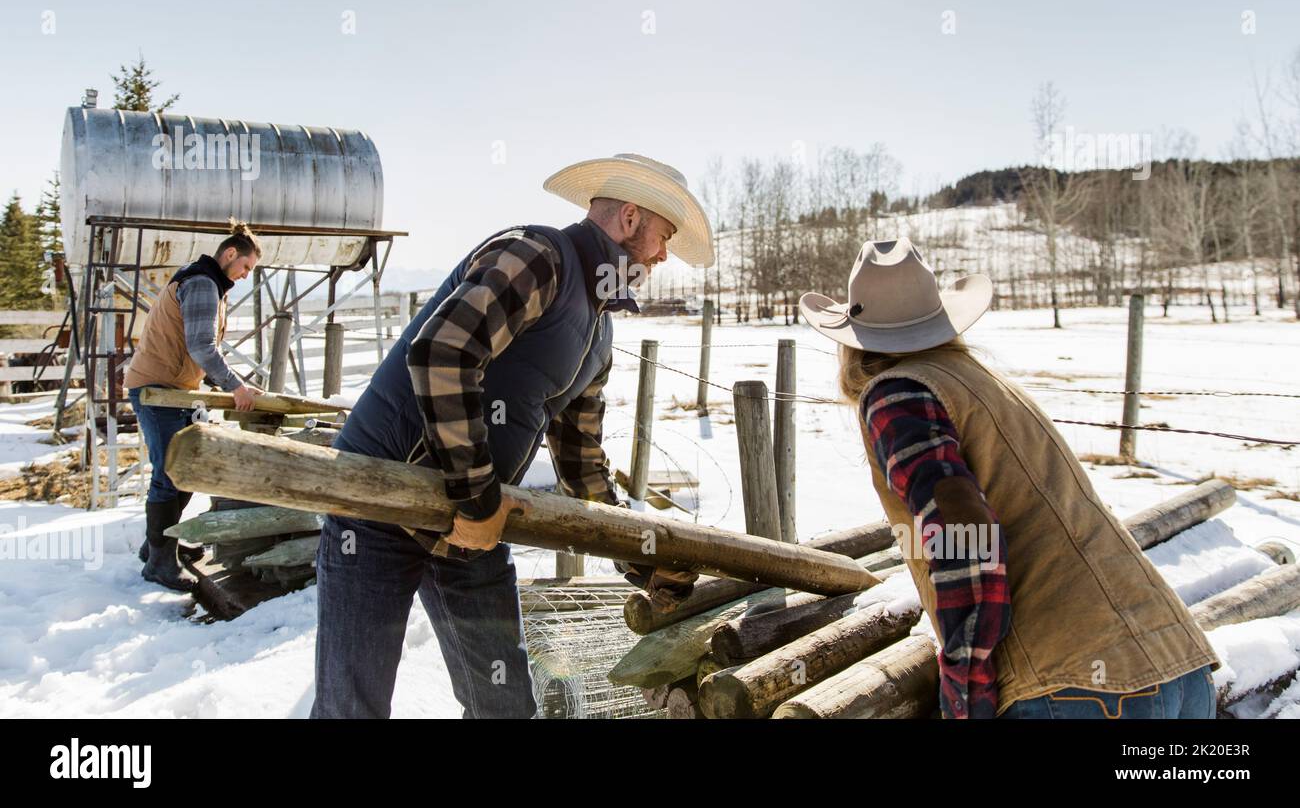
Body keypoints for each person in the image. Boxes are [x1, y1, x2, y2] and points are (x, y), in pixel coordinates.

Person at [310, 154, 715, 719]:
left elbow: (582, 461)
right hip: (380, 501)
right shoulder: (537, 256)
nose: (663, 255)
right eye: (663, 236)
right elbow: (443, 352)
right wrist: (478, 498)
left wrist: (639, 560)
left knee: (503, 705)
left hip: (468, 526)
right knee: (352, 706)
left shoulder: (598, 329)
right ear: (629, 218)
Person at [800, 237, 1220, 719]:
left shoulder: (898, 394)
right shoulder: (982, 380)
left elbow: (966, 540)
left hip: (1070, 683)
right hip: (1176, 665)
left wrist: (966, 693)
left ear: (853, 342)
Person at [125, 221, 265, 591]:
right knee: (171, 473)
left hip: (177, 390)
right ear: (230, 253)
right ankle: (159, 562)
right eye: (246, 267)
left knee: (186, 469)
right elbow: (202, 346)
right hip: (158, 391)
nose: (245, 275)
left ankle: (159, 544)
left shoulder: (210, 284)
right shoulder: (203, 283)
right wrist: (236, 386)